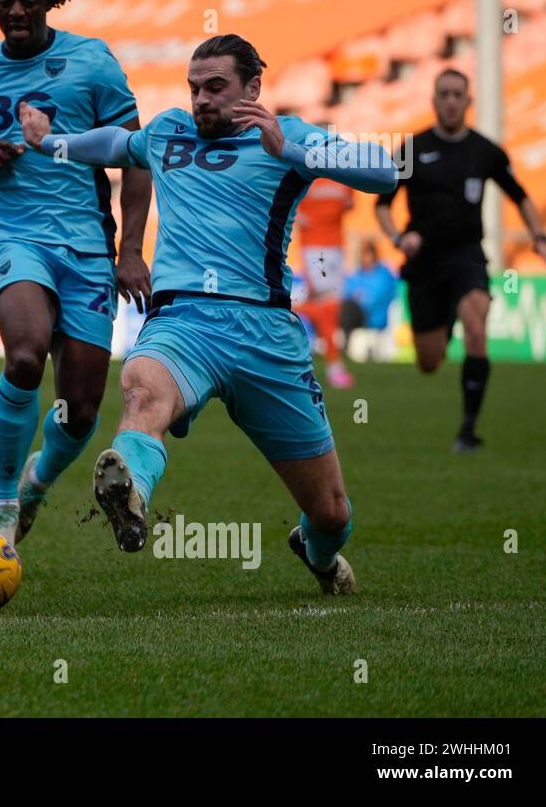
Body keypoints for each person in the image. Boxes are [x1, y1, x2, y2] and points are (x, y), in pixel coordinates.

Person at [20, 34, 399, 595]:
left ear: (253, 89)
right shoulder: (170, 132)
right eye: (194, 87)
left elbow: (384, 172)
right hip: (184, 322)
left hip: (265, 334)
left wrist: (290, 151)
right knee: (141, 386)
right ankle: (132, 493)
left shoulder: (288, 136)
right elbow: (115, 146)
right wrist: (51, 142)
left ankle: (318, 554)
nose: (201, 99)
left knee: (331, 514)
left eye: (216, 87)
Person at [0, 0, 149, 545]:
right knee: (26, 353)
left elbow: (137, 158)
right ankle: (2, 506)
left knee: (81, 410)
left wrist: (131, 251)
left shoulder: (93, 62)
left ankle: (35, 485)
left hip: (86, 244)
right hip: (12, 234)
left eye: (29, 1)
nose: (17, 13)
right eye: (5, 1)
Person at [375, 68, 546, 452]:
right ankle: (449, 316)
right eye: (444, 94)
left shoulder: (485, 151)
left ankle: (468, 431)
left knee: (477, 326)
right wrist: (397, 238)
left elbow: (520, 195)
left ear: (468, 101)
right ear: (434, 100)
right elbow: (382, 205)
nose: (451, 101)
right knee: (429, 361)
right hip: (424, 264)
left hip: (466, 256)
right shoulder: (411, 149)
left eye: (458, 94)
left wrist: (539, 237)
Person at [295, 177, 355, 387]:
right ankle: (335, 367)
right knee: (328, 308)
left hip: (337, 249)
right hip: (315, 250)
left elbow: (349, 206)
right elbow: (298, 217)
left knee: (330, 308)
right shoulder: (305, 177)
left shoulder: (342, 178)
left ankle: (285, 308)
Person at [341, 238, 397, 357]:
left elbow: (379, 298)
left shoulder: (384, 274)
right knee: (339, 308)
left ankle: (343, 347)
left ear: (373, 254)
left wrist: (361, 298)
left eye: (366, 253)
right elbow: (345, 293)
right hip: (353, 314)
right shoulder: (357, 274)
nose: (363, 258)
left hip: (372, 316)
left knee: (348, 310)